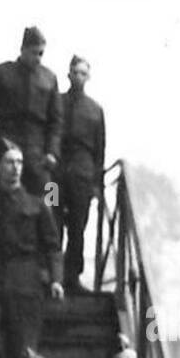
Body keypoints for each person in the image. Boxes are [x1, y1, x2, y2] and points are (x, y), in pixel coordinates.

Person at [0, 138, 64, 358]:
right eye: (8, 162)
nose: (15, 168)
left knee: (24, 350)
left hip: (27, 284)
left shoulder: (38, 205)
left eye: (19, 162)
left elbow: (52, 246)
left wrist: (56, 279)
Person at [0, 26, 63, 199]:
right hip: (6, 142)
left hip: (38, 148)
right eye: (34, 53)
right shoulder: (0, 74)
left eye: (41, 54)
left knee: (49, 196)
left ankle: (52, 224)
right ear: (23, 49)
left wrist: (52, 151)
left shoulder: (49, 78)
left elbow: (56, 120)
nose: (38, 58)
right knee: (7, 199)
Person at [58, 55, 106, 293]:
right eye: (75, 72)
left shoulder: (95, 110)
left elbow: (100, 150)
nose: (78, 77)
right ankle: (52, 276)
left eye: (83, 73)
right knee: (51, 217)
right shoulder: (56, 102)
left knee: (78, 225)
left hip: (82, 176)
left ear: (88, 77)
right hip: (54, 178)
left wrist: (96, 185)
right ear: (68, 74)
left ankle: (72, 278)